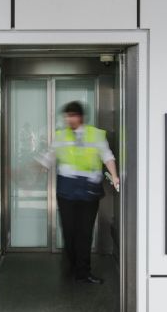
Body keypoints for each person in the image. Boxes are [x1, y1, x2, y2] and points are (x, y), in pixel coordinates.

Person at [46, 101, 119, 285]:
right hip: (66, 191)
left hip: (88, 192)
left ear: (81, 117)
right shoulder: (61, 136)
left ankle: (83, 272)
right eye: (67, 116)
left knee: (85, 234)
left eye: (73, 115)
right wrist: (36, 167)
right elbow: (50, 156)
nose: (69, 119)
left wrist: (115, 176)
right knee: (69, 232)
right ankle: (71, 265)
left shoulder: (95, 135)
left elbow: (107, 156)